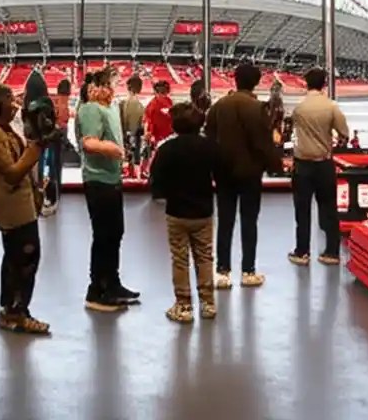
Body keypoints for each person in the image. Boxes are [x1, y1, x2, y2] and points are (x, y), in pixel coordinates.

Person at [0, 84, 50, 335]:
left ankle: (10, 310)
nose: (16, 102)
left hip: (20, 201)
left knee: (14, 256)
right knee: (26, 256)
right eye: (10, 98)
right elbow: (11, 174)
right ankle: (17, 313)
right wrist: (36, 151)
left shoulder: (8, 129)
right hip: (10, 205)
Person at [205, 63, 281, 289]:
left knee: (225, 221)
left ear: (234, 79)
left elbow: (209, 138)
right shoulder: (257, 108)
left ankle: (222, 271)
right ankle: (248, 271)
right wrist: (275, 166)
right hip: (250, 174)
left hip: (224, 172)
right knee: (249, 221)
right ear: (256, 82)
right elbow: (263, 143)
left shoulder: (219, 106)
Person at [149, 103, 217, 324]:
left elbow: (156, 183)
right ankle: (208, 303)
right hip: (204, 212)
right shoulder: (209, 147)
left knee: (180, 259)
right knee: (205, 256)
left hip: (177, 212)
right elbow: (221, 173)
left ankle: (184, 305)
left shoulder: (167, 149)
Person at [75, 68, 137, 311]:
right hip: (98, 180)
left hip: (111, 179)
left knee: (115, 233)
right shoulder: (91, 109)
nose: (114, 88)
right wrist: (111, 149)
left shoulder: (111, 107)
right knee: (103, 236)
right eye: (111, 83)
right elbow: (88, 142)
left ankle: (112, 282)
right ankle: (97, 290)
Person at [288, 67, 350, 266]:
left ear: (306, 83)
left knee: (302, 210)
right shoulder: (332, 107)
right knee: (329, 209)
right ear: (324, 84)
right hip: (324, 164)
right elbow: (344, 134)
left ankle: (302, 251)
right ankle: (332, 251)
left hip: (302, 165)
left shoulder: (299, 109)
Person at [39, 78, 71, 215]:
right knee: (56, 165)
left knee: (50, 163)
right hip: (58, 136)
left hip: (50, 135)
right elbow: (63, 122)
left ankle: (48, 190)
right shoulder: (64, 103)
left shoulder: (53, 100)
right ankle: (56, 191)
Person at [120, 76, 146, 180]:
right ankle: (131, 171)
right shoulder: (136, 104)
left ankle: (130, 170)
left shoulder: (125, 102)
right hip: (133, 134)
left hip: (127, 133)